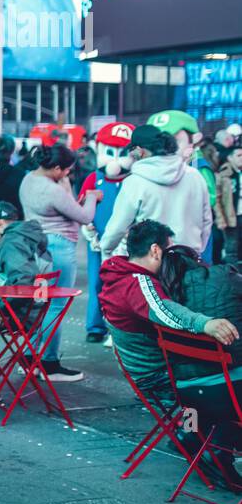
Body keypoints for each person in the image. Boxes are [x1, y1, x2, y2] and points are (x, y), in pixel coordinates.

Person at [99, 221, 242, 479]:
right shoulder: (136, 282)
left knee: (209, 375)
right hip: (161, 379)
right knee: (224, 384)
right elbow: (164, 311)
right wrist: (205, 323)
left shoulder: (119, 277)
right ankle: (215, 448)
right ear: (155, 250)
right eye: (167, 251)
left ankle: (189, 434)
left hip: (147, 372)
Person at [19, 144, 99, 382]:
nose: (67, 175)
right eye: (65, 171)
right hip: (59, 248)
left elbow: (68, 201)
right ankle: (49, 363)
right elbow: (85, 216)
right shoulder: (52, 191)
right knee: (55, 306)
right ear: (55, 168)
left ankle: (28, 357)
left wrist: (64, 184)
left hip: (37, 247)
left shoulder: (28, 180)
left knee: (39, 303)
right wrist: (93, 198)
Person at [100, 125, 213, 260]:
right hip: (188, 259)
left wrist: (106, 249)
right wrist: (198, 249)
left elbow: (118, 227)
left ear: (139, 151)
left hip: (150, 263)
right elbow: (206, 220)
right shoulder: (194, 176)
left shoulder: (134, 182)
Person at [78, 122, 134, 343]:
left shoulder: (134, 180)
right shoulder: (94, 178)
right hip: (98, 242)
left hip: (128, 243)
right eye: (110, 152)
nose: (116, 160)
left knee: (125, 286)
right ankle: (95, 326)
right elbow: (81, 206)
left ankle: (122, 327)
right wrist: (87, 228)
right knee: (96, 282)